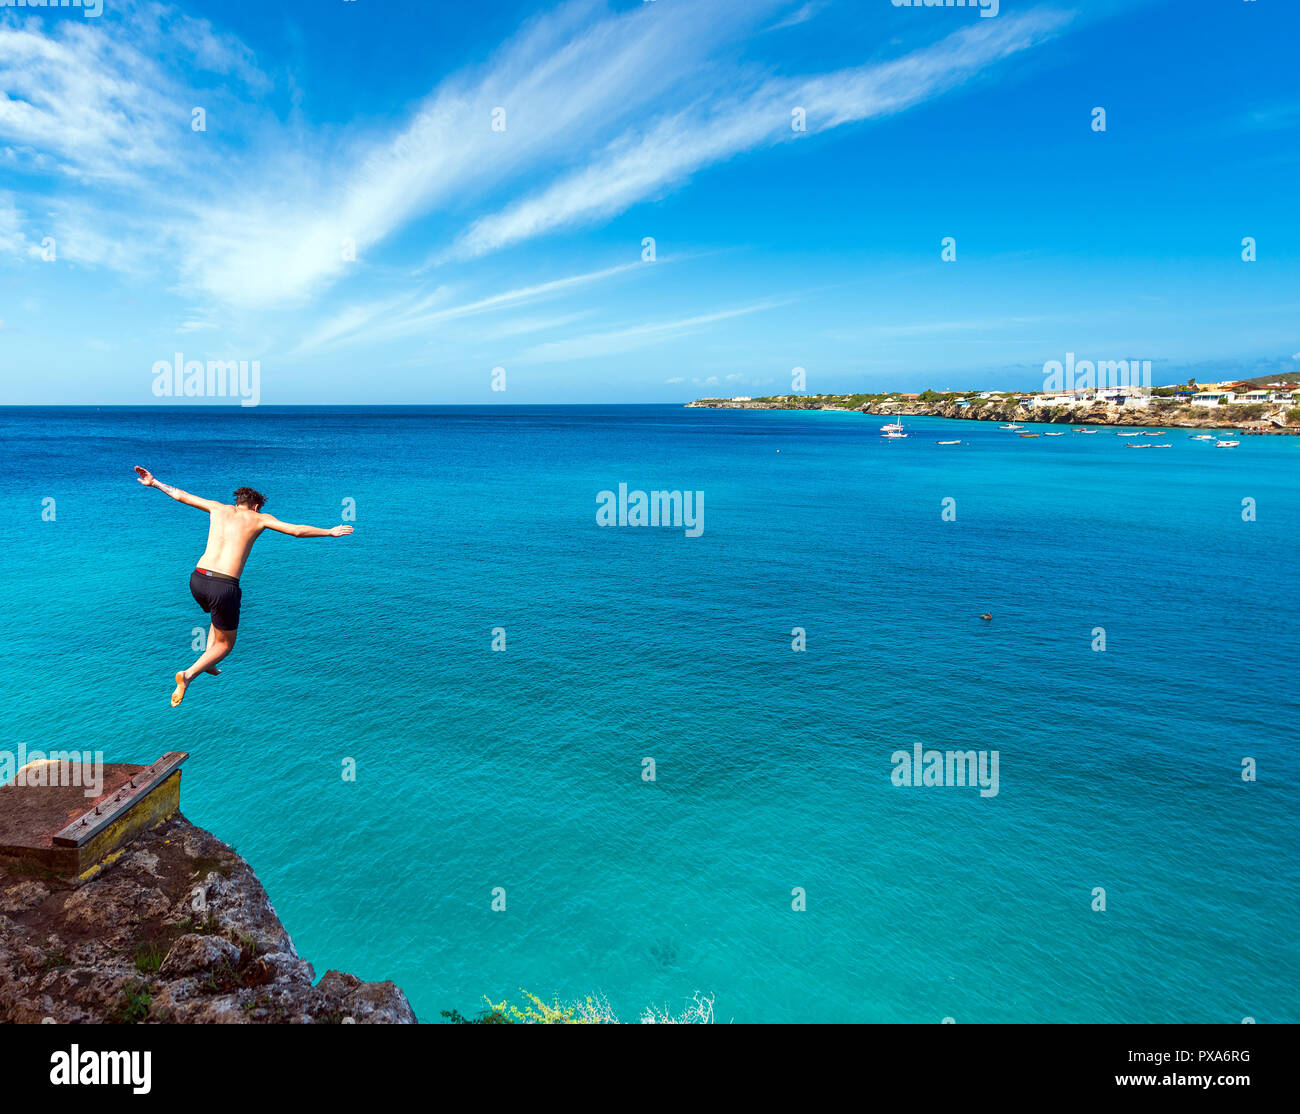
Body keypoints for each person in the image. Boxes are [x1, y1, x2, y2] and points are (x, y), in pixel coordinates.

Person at [133, 467, 354, 706]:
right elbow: (297, 531)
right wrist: (330, 532)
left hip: (198, 578)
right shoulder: (261, 518)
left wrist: (155, 483)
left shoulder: (217, 508)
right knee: (226, 644)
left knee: (215, 616)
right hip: (223, 585)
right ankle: (187, 675)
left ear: (238, 502)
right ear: (257, 506)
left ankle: (210, 660)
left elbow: (181, 495)